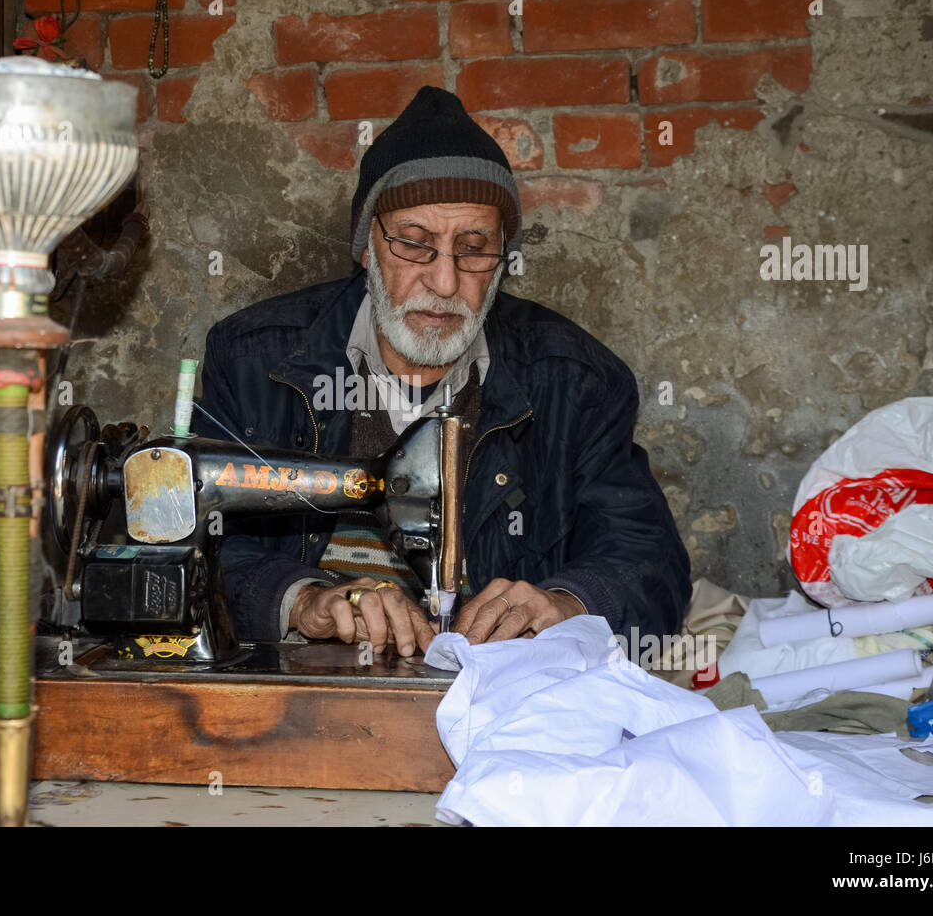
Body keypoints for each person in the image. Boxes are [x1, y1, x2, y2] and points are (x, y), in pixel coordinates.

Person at [198, 85, 690, 656]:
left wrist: (568, 602)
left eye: (474, 248)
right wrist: (303, 599)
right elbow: (192, 539)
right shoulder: (255, 361)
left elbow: (649, 562)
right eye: (413, 244)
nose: (445, 282)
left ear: (502, 257)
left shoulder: (576, 382)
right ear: (367, 247)